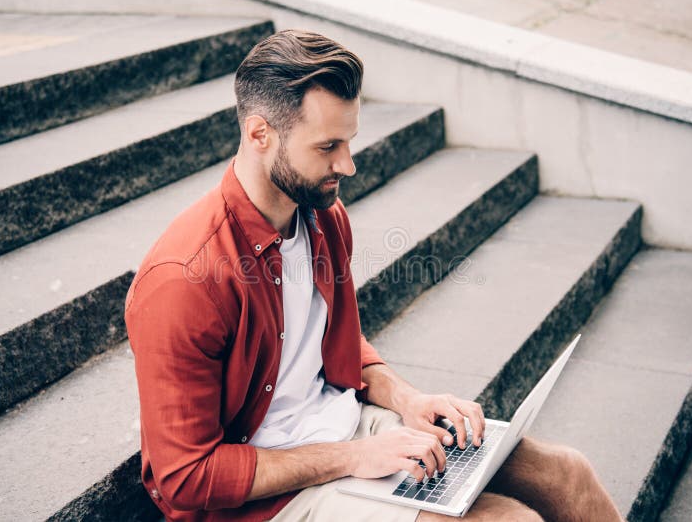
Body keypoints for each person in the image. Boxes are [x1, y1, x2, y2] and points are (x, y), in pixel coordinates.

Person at [124, 29, 622, 522]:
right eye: (328, 146)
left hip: (349, 434)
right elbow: (185, 477)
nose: (349, 164)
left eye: (350, 140)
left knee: (566, 474)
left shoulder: (323, 216)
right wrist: (355, 458)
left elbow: (331, 341)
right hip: (264, 496)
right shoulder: (183, 280)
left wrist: (408, 399)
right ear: (259, 134)